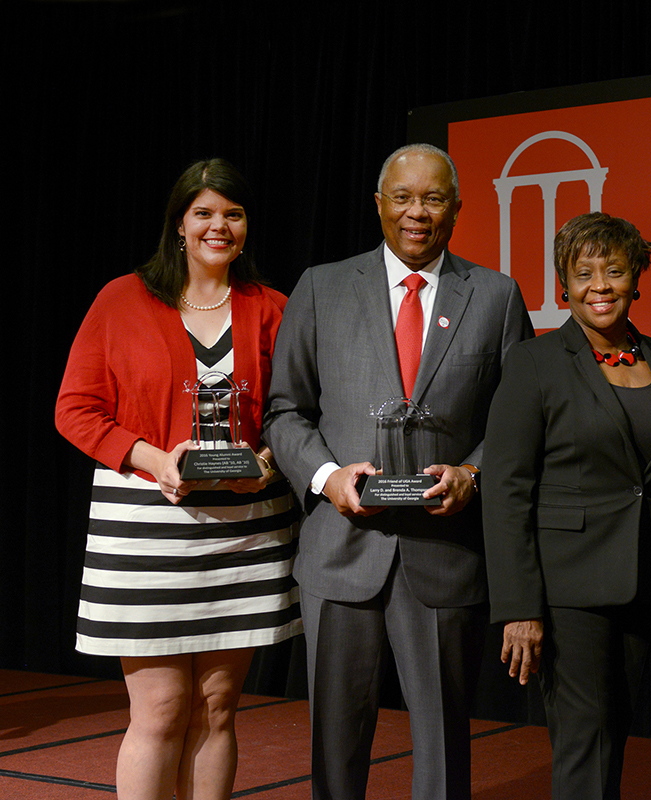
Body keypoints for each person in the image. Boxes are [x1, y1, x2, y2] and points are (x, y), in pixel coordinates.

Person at [263, 143, 533, 800]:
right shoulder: (321, 287)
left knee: (443, 745)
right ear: (379, 204)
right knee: (336, 742)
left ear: (458, 209)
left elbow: (520, 422)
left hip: (445, 558)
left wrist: (474, 472)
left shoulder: (496, 296)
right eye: (404, 197)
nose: (418, 213)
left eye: (434, 198)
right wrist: (328, 477)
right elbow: (284, 411)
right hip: (340, 553)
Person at [55, 159, 301, 800]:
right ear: (180, 222)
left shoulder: (273, 307)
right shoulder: (122, 298)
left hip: (247, 529)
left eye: (234, 213)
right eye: (205, 213)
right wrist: (152, 458)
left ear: (247, 226)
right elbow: (75, 410)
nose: (219, 226)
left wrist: (270, 461)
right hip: (145, 528)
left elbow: (294, 412)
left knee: (219, 707)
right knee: (160, 710)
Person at [483, 212, 651, 800]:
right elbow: (505, 491)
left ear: (637, 279)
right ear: (564, 285)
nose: (599, 285)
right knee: (585, 739)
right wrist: (518, 607)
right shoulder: (534, 363)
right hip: (565, 591)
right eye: (583, 274)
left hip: (645, 583)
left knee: (616, 733)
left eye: (613, 270)